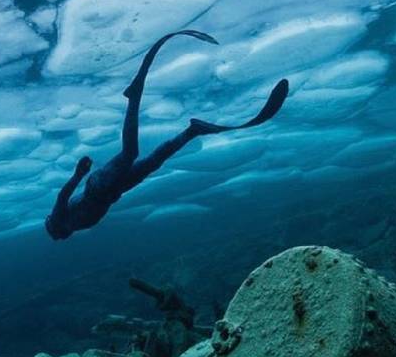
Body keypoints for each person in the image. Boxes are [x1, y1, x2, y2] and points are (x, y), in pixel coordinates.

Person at [45, 31, 289, 240]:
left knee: (131, 153)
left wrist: (79, 174)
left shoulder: (60, 220)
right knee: (152, 162)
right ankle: (192, 131)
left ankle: (133, 97)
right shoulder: (75, 227)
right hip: (114, 190)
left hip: (100, 185)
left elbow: (63, 195)